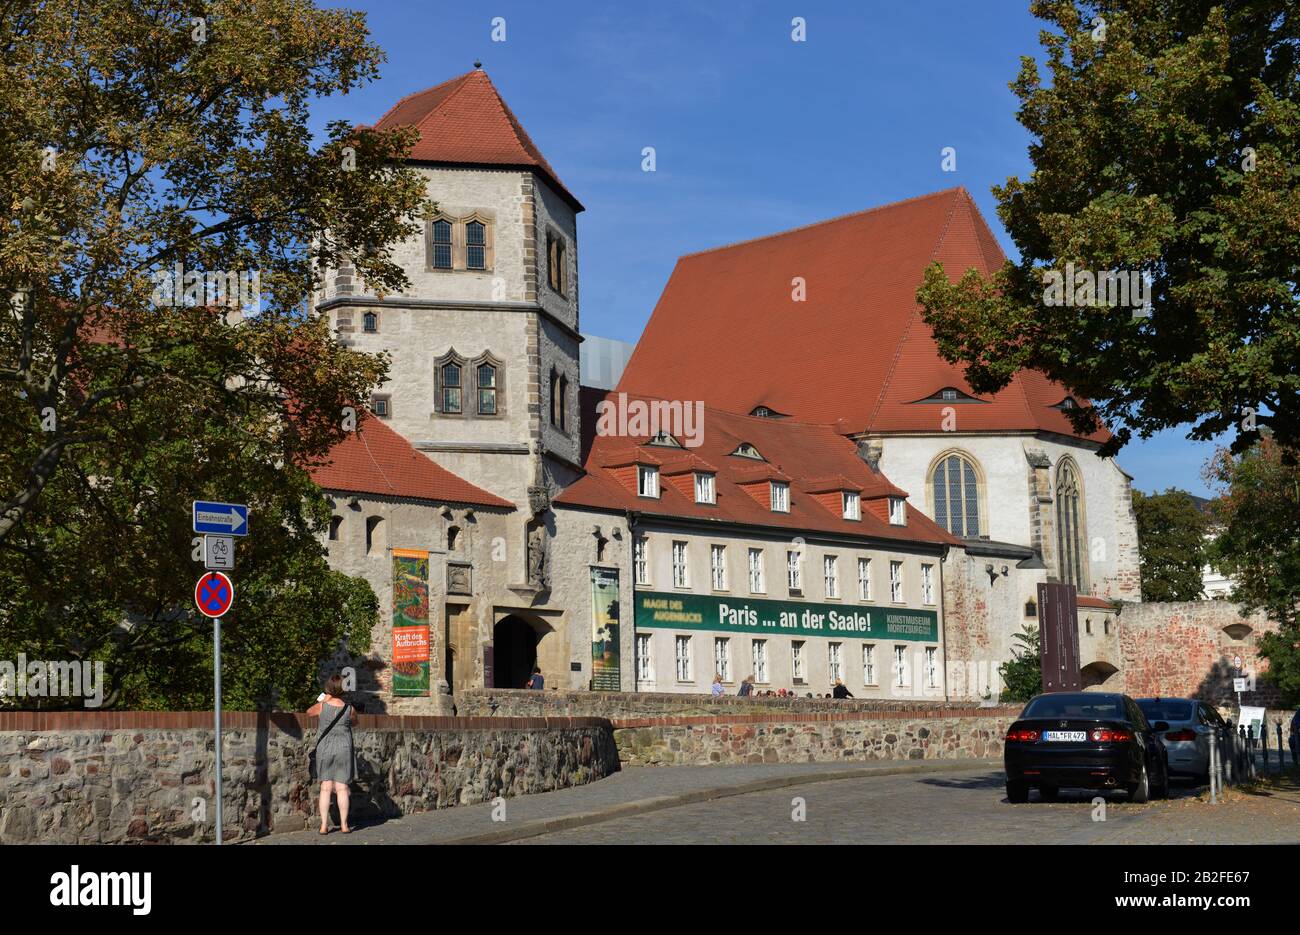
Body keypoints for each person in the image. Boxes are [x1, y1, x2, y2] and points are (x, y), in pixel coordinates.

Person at [307, 672, 357, 835]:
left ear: (328, 688)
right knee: (342, 788)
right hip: (343, 748)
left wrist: (323, 699)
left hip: (325, 749)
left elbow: (309, 712)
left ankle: (323, 825)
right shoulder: (349, 708)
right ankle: (344, 825)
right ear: (343, 689)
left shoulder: (322, 706)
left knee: (326, 788)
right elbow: (355, 722)